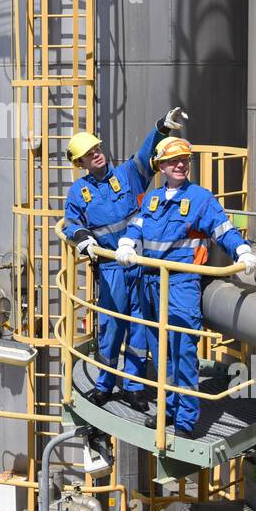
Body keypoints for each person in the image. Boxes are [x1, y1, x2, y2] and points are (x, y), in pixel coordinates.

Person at [114, 136, 256, 437]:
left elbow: (223, 229)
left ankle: (185, 420)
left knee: (182, 351)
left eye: (185, 160)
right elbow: (137, 226)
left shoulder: (200, 199)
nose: (180, 165)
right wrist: (127, 242)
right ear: (162, 166)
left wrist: (241, 250)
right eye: (173, 161)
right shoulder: (153, 198)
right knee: (160, 350)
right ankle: (167, 410)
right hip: (150, 281)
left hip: (180, 283)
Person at [62, 107, 188, 411]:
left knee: (140, 327)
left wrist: (161, 127)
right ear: (80, 163)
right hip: (111, 270)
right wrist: (83, 239)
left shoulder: (126, 175)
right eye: (89, 154)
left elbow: (145, 157)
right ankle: (105, 385)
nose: (97, 155)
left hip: (140, 264)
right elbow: (70, 222)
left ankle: (133, 387)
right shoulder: (79, 193)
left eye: (97, 149)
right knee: (110, 327)